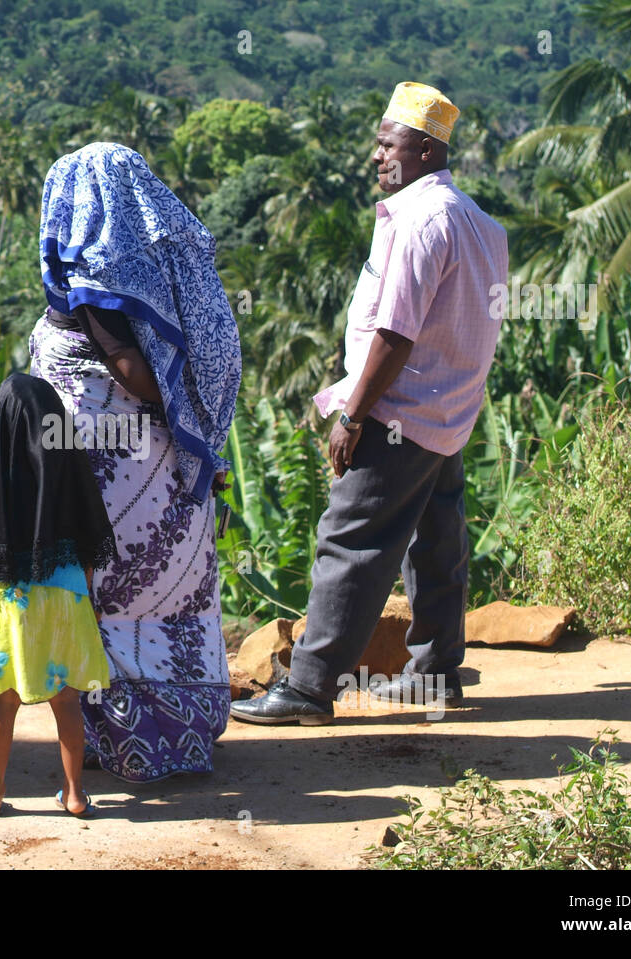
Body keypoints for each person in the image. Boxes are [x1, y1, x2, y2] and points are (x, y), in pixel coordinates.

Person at [230, 83, 509, 726]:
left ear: (426, 149)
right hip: (451, 413)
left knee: (350, 541)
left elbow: (395, 333)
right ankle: (435, 678)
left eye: (388, 144)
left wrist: (355, 413)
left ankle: (308, 689)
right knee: (436, 542)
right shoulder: (480, 224)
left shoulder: (418, 221)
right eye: (378, 143)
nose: (377, 157)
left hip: (399, 414)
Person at [29, 142, 242, 782]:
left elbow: (131, 372)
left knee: (115, 592)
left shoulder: (89, 273)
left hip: (111, 464)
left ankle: (123, 734)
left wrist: (174, 400)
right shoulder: (155, 266)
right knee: (170, 586)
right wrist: (195, 408)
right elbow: (155, 370)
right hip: (151, 461)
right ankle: (177, 728)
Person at [0, 374, 116, 817]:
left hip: (13, 601)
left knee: (5, 699)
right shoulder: (69, 472)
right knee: (66, 699)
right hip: (68, 599)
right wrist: (85, 596)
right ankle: (75, 795)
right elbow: (92, 539)